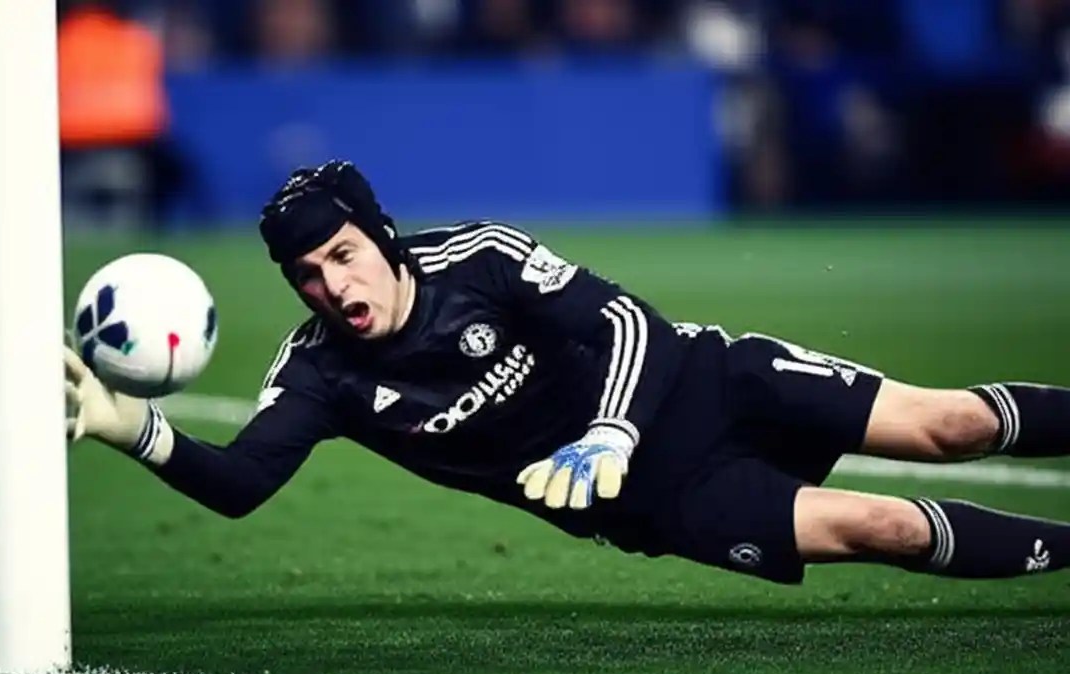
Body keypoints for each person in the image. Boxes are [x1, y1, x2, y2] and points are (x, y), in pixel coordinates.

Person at [65, 160, 1070, 585]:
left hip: (703, 383)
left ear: (379, 237)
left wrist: (607, 432)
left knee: (951, 427)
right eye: (302, 276)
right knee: (880, 524)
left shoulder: (480, 260)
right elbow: (242, 485)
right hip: (667, 502)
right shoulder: (318, 374)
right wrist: (133, 430)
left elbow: (631, 320)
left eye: (338, 257)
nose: (326, 287)